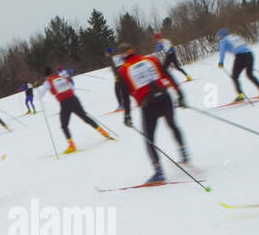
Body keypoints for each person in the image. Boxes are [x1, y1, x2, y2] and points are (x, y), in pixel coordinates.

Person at [113, 42, 189, 185]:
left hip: (149, 106)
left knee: (149, 139)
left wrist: (127, 115)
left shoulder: (123, 70)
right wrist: (180, 95)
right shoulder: (151, 60)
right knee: (172, 125)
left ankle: (158, 172)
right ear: (133, 50)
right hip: (165, 98)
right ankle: (184, 152)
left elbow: (125, 97)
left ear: (122, 56)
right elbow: (168, 76)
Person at [43, 65, 114, 152]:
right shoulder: (60, 77)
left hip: (65, 103)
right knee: (85, 117)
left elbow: (40, 93)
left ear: (46, 75)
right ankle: (103, 132)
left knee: (64, 125)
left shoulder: (48, 81)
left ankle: (71, 145)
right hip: (74, 99)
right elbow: (71, 86)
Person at [216, 29, 259, 102]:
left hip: (240, 57)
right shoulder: (235, 36)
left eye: (219, 37)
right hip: (250, 54)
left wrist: (221, 62)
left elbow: (222, 52)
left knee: (234, 77)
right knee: (250, 74)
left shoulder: (223, 41)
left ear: (221, 36)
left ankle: (240, 96)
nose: (219, 38)